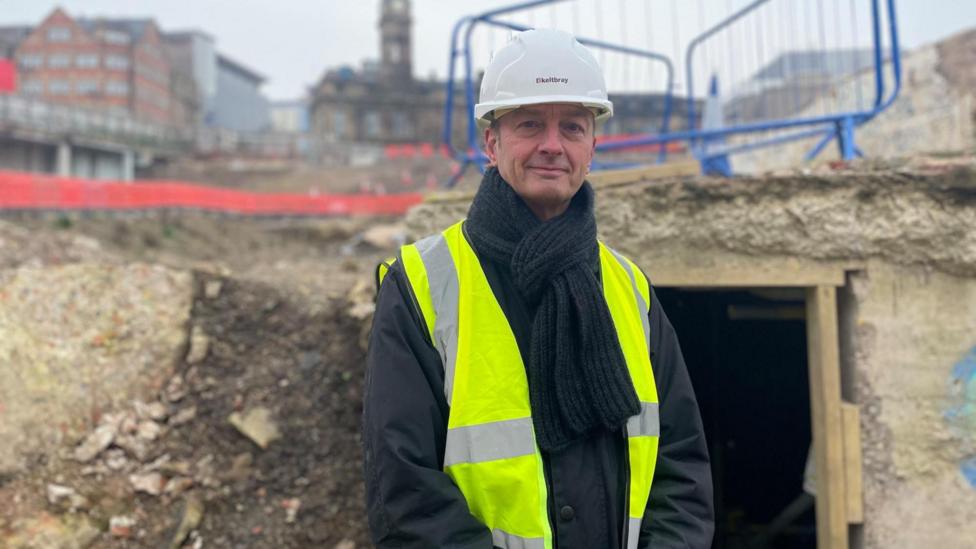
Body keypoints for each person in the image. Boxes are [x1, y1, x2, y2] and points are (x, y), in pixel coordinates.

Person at [363, 28, 713, 548]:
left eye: (572, 127)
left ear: (593, 147)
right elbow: (404, 492)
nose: (553, 145)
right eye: (530, 124)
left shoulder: (629, 288)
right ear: (492, 141)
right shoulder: (420, 285)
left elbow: (681, 470)